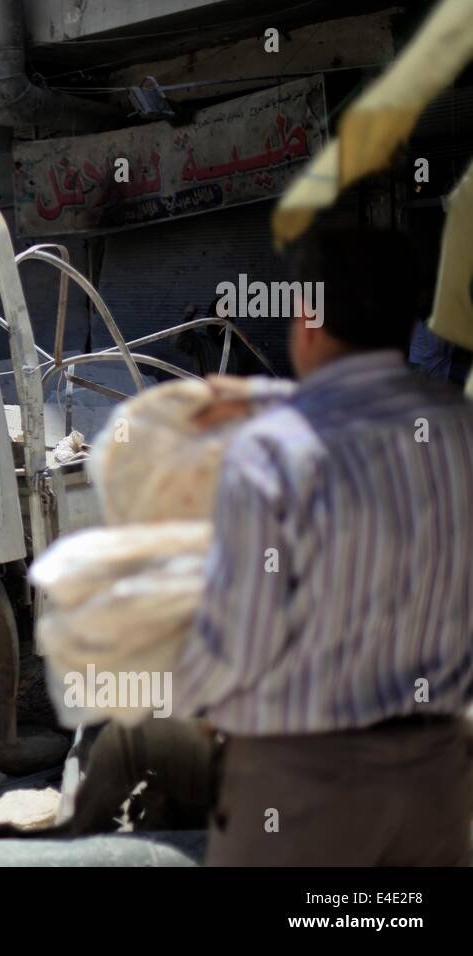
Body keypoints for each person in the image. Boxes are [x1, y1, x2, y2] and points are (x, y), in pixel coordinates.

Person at [181, 224, 473, 866]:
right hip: (439, 788)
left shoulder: (265, 455)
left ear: (308, 320)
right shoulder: (456, 430)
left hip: (307, 793)